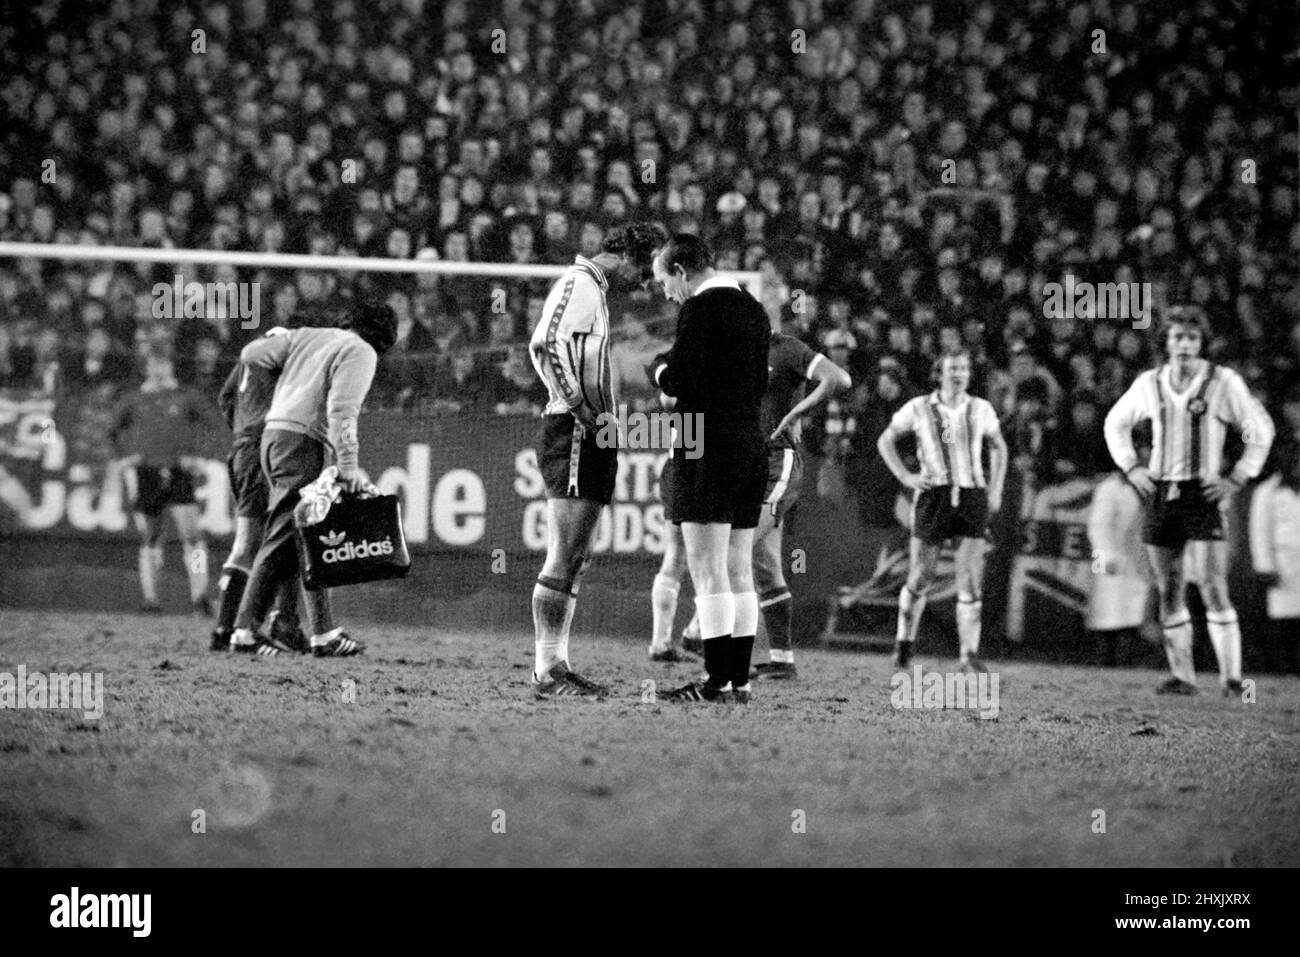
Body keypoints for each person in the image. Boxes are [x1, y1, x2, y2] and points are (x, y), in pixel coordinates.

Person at [527, 221, 667, 698]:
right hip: (574, 431)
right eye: (647, 271)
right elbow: (544, 345)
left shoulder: (595, 291)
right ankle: (547, 669)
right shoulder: (579, 284)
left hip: (592, 432)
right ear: (629, 254)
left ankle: (556, 664)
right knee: (564, 552)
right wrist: (580, 409)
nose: (647, 283)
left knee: (577, 556)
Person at [1103, 306, 1275, 695]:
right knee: (1171, 586)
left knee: (1213, 584)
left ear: (1202, 343)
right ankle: (1183, 677)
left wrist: (1237, 478)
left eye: (1192, 338)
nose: (1183, 344)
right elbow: (1116, 423)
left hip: (1203, 493)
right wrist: (1132, 467)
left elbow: (1258, 429)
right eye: (1177, 337)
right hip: (1163, 492)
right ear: (1166, 342)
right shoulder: (1150, 383)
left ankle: (1233, 680)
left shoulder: (1222, 382)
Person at [227, 302, 398, 657]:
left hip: (272, 437)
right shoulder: (360, 351)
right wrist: (348, 465)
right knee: (281, 536)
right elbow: (342, 411)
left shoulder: (307, 336)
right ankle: (244, 631)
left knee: (308, 537)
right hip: (302, 442)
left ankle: (321, 632)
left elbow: (251, 353)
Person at [647, 233, 769, 703]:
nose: (665, 293)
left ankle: (716, 681)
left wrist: (658, 370)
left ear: (681, 271)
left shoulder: (698, 309)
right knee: (739, 568)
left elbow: (678, 380)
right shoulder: (754, 309)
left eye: (664, 281)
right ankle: (738, 682)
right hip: (749, 444)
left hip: (706, 443)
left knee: (705, 565)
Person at [876, 347, 1008, 673]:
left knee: (969, 578)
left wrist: (996, 489)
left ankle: (968, 655)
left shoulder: (981, 408)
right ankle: (904, 644)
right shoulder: (919, 407)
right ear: (940, 373)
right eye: (952, 368)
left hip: (971, 496)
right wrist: (905, 476)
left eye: (963, 368)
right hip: (933, 496)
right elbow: (886, 440)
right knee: (920, 576)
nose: (959, 374)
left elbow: (999, 446)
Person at [210, 326, 305, 653]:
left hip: (242, 450)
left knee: (257, 540)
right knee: (271, 540)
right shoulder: (283, 361)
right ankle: (246, 626)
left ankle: (229, 626)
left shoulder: (247, 362)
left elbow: (225, 399)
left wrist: (242, 431)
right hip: (264, 449)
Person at [110, 350, 224, 614]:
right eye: (154, 364)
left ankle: (200, 596)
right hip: (147, 472)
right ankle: (150, 600)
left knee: (192, 536)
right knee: (151, 537)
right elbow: (112, 431)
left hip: (178, 471)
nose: (159, 369)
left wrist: (201, 457)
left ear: (171, 366)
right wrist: (124, 458)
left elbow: (215, 425)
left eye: (163, 363)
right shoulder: (134, 399)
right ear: (147, 368)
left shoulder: (186, 397)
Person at [1247, 435, 1300, 674]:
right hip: (1282, 565)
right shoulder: (1267, 491)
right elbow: (1259, 532)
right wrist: (1265, 566)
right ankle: (1283, 672)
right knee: (1284, 623)